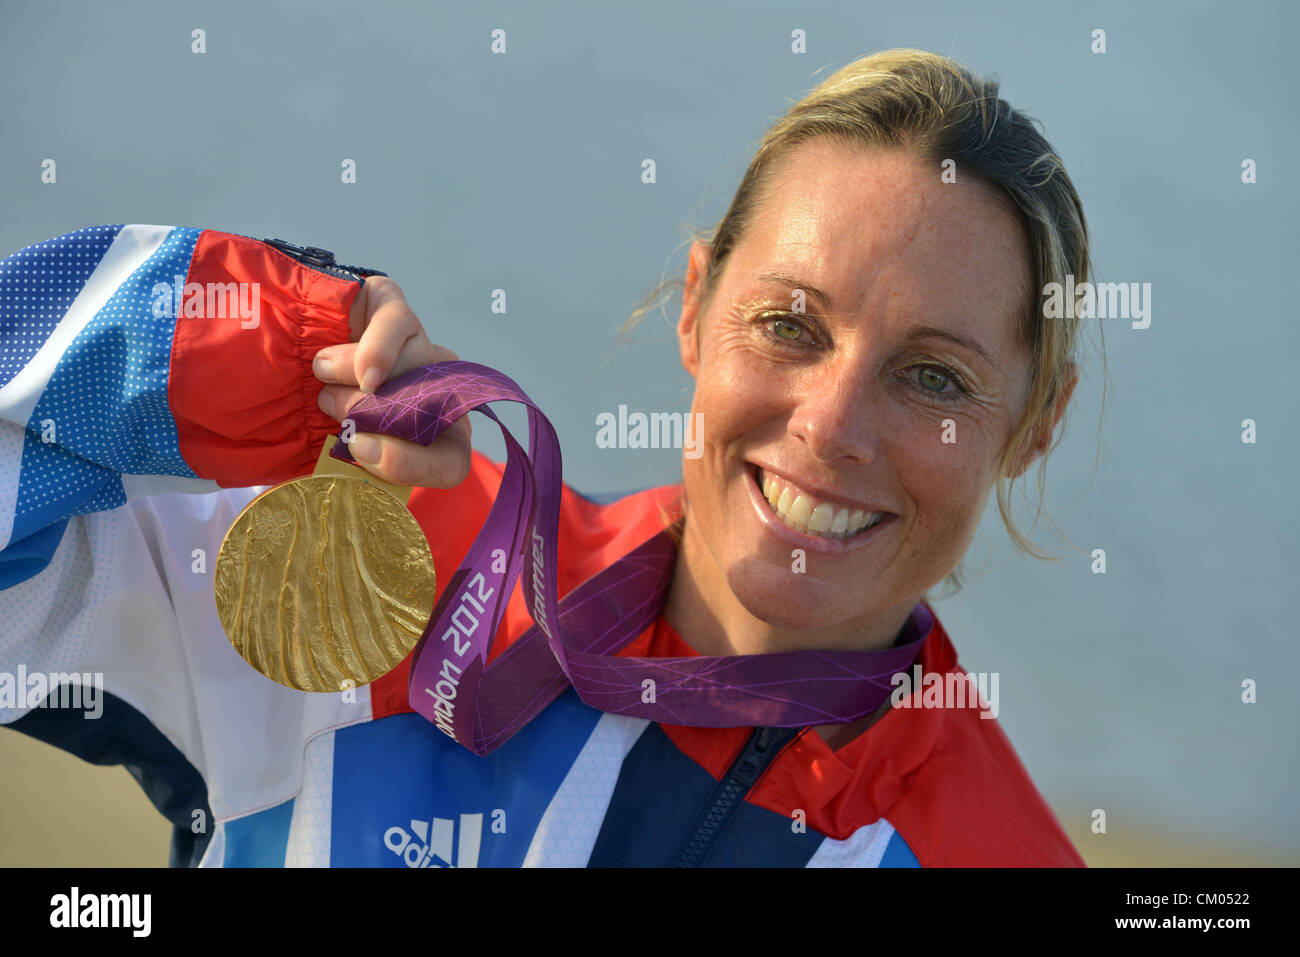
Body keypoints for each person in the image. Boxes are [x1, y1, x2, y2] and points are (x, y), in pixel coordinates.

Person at [0, 49, 1089, 867]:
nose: (832, 425)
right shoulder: (367, 584)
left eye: (933, 378)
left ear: (1034, 426)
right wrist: (257, 357)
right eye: (790, 325)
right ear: (695, 309)